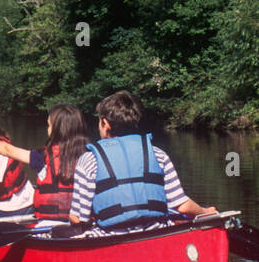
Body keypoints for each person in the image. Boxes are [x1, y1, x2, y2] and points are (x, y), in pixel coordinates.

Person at [69, 91, 217, 231]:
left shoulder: (89, 160)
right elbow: (182, 206)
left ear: (105, 123)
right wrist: (205, 211)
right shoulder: (158, 154)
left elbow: (78, 218)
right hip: (157, 232)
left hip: (111, 237)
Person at [0, 104, 87, 222]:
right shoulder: (89, 155)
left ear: (56, 130)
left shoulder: (42, 157)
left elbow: (8, 150)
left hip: (49, 221)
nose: (47, 129)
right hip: (78, 219)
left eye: (49, 125)